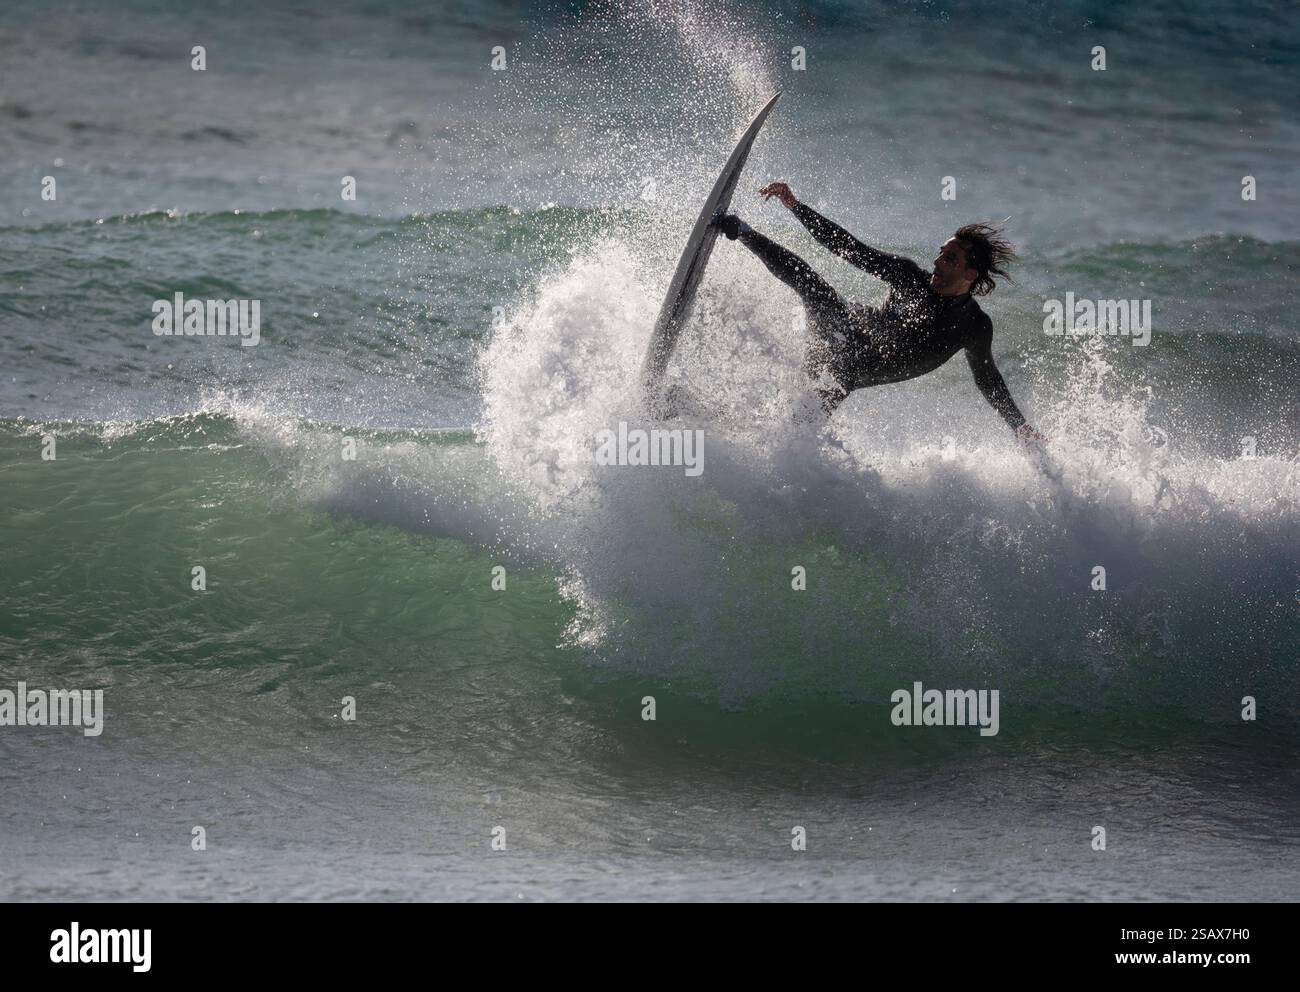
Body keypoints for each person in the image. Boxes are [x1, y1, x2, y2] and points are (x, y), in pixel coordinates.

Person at [714, 181, 1041, 441]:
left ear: (969, 275)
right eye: (942, 252)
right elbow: (848, 246)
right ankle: (742, 231)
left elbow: (988, 380)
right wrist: (795, 206)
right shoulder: (908, 276)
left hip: (844, 376)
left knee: (788, 436)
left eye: (950, 259)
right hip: (843, 332)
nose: (937, 261)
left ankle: (707, 420)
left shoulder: (974, 325)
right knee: (811, 284)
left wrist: (1020, 427)